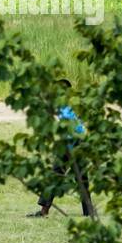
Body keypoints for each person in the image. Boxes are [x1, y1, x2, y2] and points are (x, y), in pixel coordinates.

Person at [27, 80, 93, 218]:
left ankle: (44, 211)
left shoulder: (66, 106)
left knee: (55, 177)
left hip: (71, 145)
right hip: (77, 143)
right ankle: (89, 212)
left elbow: (74, 127)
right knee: (81, 179)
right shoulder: (71, 103)